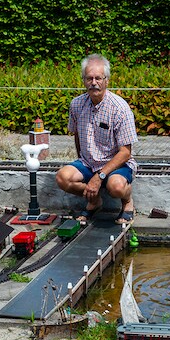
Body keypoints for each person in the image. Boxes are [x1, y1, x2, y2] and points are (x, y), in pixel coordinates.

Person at [56, 54, 138, 224]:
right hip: (88, 163)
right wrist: (83, 160)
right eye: (89, 78)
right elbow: (77, 136)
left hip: (116, 164)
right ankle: (94, 200)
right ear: (83, 80)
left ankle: (128, 201)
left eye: (98, 78)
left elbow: (125, 153)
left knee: (116, 187)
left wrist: (98, 177)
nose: (94, 82)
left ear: (106, 80)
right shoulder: (76, 104)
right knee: (62, 178)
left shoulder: (119, 108)